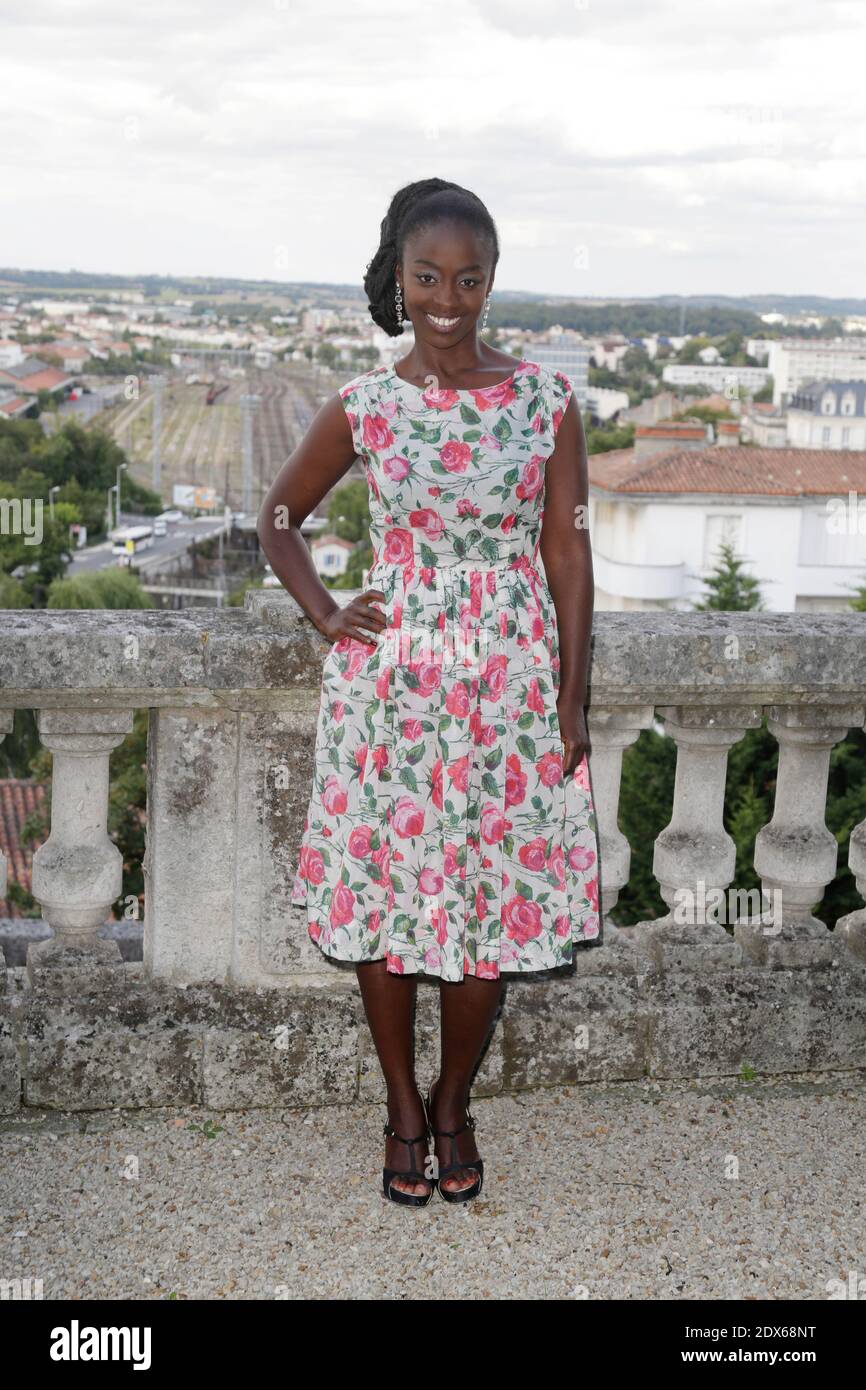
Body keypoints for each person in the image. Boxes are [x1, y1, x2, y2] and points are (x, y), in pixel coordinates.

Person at [257, 177, 599, 1206]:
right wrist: (325, 611)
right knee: (385, 898)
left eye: (468, 276)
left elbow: (569, 558)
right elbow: (277, 518)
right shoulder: (364, 407)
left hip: (506, 683)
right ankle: (401, 1108)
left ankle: (453, 1101)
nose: (447, 296)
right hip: (392, 689)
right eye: (427, 276)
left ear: (492, 279)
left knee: (491, 908)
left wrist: (571, 697)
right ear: (398, 281)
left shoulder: (546, 399)